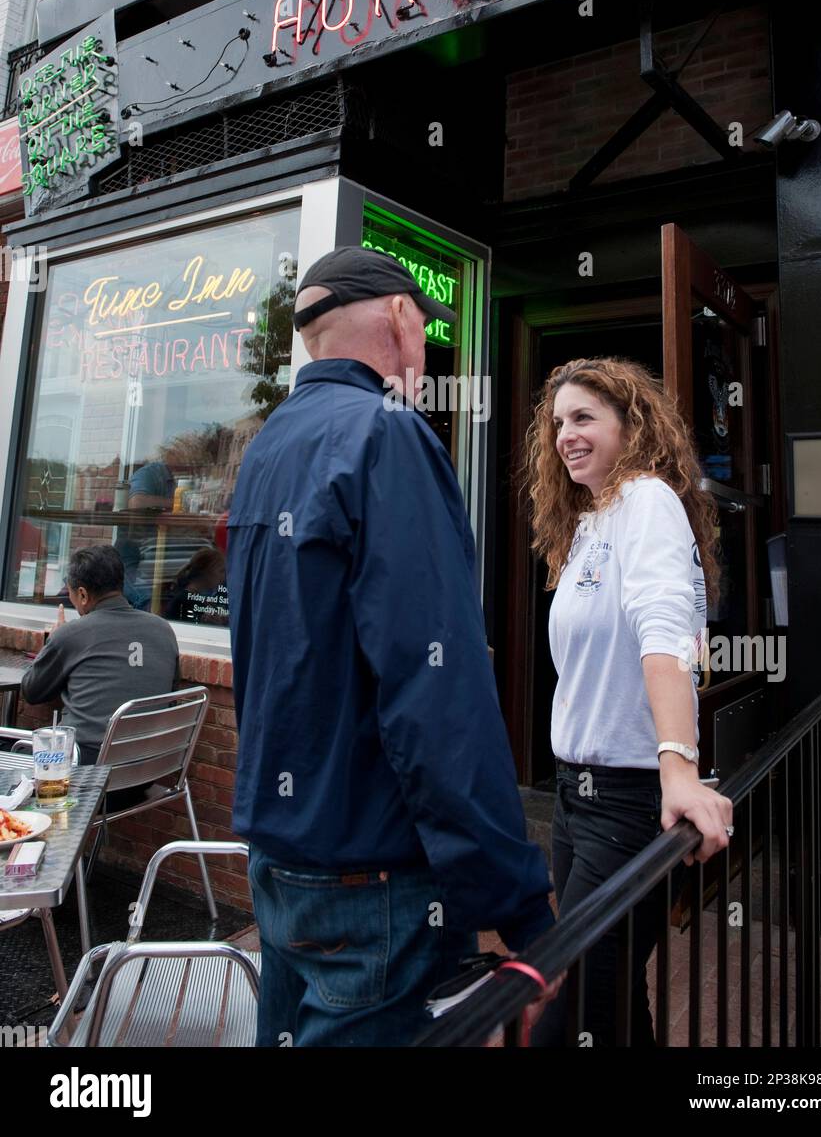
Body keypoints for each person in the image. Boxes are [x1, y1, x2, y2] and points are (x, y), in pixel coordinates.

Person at [227, 246, 556, 1048]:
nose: (425, 349)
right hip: (372, 878)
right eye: (424, 327)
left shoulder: (266, 449)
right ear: (402, 319)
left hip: (283, 861)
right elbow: (435, 688)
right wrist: (516, 901)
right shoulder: (388, 434)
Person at [525, 357, 734, 1047]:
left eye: (584, 418)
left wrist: (678, 766)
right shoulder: (589, 521)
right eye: (558, 423)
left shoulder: (646, 500)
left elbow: (667, 635)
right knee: (610, 999)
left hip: (628, 798)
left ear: (631, 426)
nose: (566, 436)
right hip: (574, 801)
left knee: (569, 1006)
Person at [20, 545, 179, 765]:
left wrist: (53, 641)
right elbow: (170, 695)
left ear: (83, 594)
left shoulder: (71, 634)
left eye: (72, 594)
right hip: (145, 771)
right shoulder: (164, 630)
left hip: (84, 771)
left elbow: (32, 690)